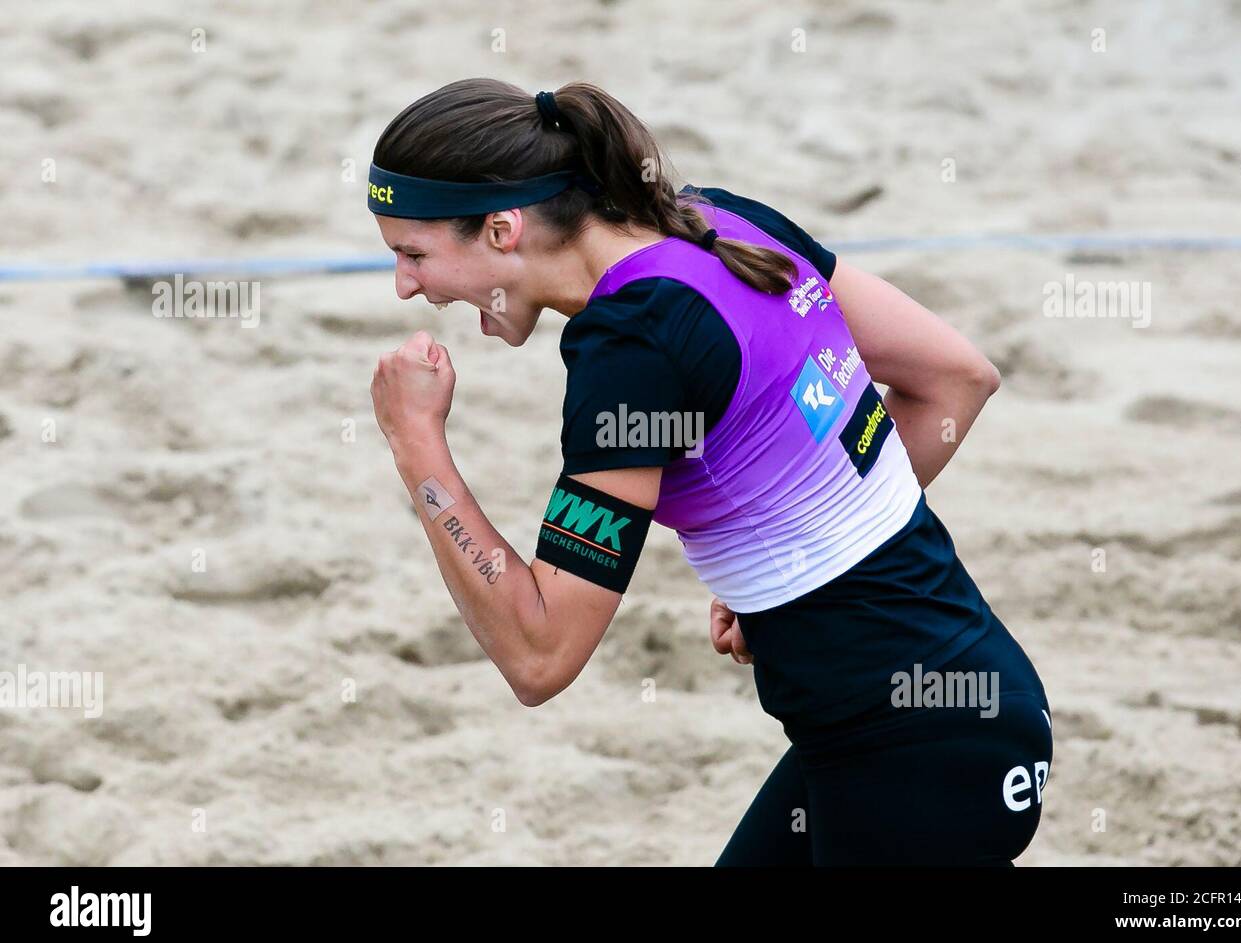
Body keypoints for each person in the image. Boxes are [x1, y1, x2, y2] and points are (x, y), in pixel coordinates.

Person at [367, 78, 1053, 866]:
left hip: (915, 763)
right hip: (951, 720)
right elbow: (956, 381)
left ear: (500, 229)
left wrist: (417, 445)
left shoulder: (630, 345)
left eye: (413, 253)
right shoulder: (718, 221)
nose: (406, 287)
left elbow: (540, 654)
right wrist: (787, 568)